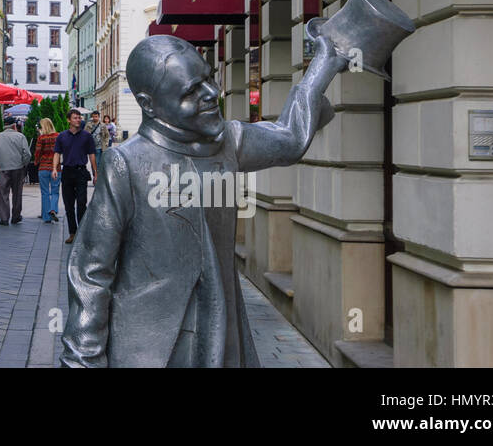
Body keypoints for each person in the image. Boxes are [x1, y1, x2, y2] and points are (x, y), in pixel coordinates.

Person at [60, 32, 350, 367]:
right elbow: (90, 270)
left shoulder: (229, 141)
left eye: (209, 79)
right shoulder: (125, 163)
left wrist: (325, 61)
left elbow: (288, 138)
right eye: (191, 91)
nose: (212, 94)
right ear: (149, 103)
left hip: (221, 337)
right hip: (149, 346)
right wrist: (83, 357)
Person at [52, 108, 97, 244]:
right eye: (75, 118)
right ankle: (73, 232)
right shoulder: (62, 136)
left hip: (81, 172)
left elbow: (92, 155)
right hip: (67, 172)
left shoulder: (86, 136)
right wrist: (54, 168)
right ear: (69, 120)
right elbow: (57, 153)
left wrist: (96, 173)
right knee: (68, 204)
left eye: (79, 118)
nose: (78, 120)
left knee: (82, 203)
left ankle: (82, 233)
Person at [0, 119, 31, 225]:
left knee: (4, 193)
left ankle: (4, 218)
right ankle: (16, 216)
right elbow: (27, 154)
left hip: (3, 168)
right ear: (14, 126)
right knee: (17, 193)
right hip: (18, 168)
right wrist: (24, 165)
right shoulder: (21, 136)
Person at [34, 118, 61, 223]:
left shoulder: (41, 138)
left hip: (43, 168)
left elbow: (37, 152)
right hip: (56, 168)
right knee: (55, 191)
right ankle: (53, 209)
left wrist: (36, 162)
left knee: (45, 193)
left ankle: (46, 216)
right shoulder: (58, 136)